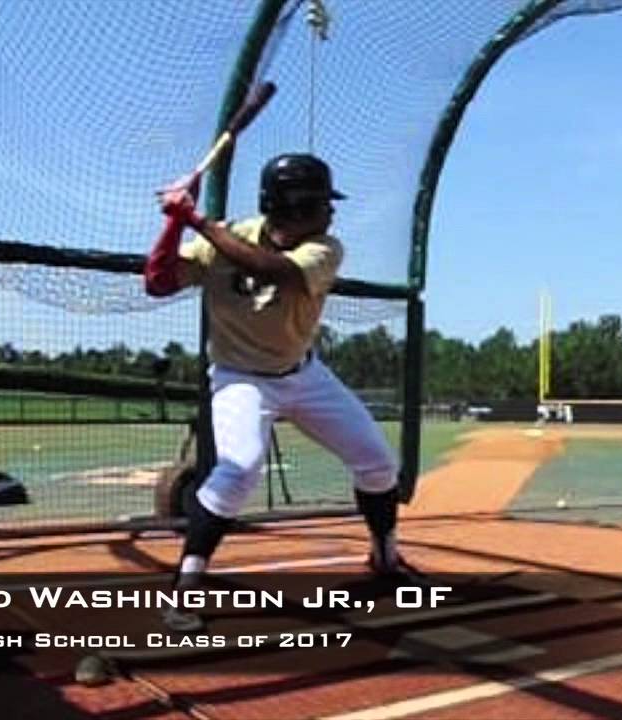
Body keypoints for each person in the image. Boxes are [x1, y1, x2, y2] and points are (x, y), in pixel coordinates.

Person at [144, 153, 418, 632]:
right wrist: (173, 223)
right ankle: (185, 587)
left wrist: (196, 220)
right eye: (323, 204)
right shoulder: (226, 236)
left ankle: (385, 556)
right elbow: (158, 281)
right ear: (295, 206)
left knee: (378, 464)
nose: (331, 213)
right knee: (237, 472)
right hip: (240, 378)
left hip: (303, 375)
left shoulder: (325, 249)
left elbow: (275, 271)